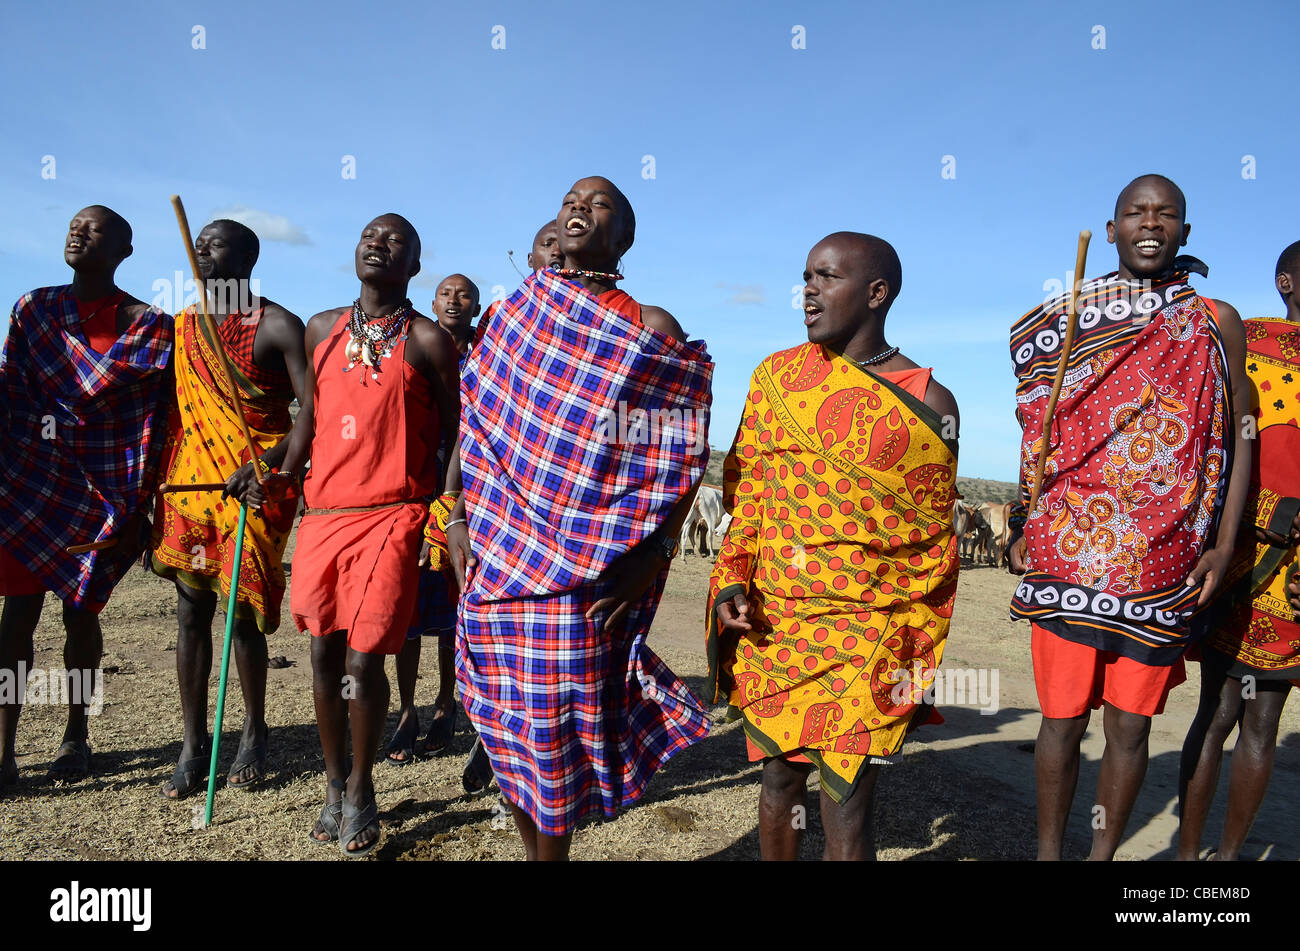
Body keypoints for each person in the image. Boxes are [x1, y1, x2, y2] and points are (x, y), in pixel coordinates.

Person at [447, 177, 713, 859]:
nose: (578, 207)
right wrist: (458, 524)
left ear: (622, 237)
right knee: (510, 730)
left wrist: (652, 557)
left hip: (591, 571)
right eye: (570, 198)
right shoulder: (513, 316)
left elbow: (682, 456)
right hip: (502, 559)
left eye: (598, 205)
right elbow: (476, 427)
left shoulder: (649, 328)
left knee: (556, 735)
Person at [1005, 174, 1252, 860]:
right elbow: (1038, 429)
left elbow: (1241, 430)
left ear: (1185, 233)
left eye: (1166, 213)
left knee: (1131, 728)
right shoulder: (1071, 316)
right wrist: (1025, 517)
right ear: (1109, 230)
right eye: (1135, 212)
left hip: (1164, 558)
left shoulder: (1214, 320)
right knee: (1059, 722)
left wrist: (1226, 539)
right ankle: (1050, 853)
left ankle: (1101, 856)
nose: (1151, 222)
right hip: (1066, 549)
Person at [707, 232, 960, 860]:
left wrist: (906, 639)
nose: (809, 290)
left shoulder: (929, 403)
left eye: (826, 277)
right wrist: (734, 577)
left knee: (846, 804)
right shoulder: (776, 378)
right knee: (778, 783)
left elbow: (929, 538)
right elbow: (751, 493)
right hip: (778, 621)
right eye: (806, 277)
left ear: (877, 294)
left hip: (870, 629)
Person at [268, 213, 459, 855]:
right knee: (322, 652)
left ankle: (361, 788)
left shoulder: (430, 341)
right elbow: (309, 424)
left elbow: (459, 435)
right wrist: (277, 472)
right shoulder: (321, 329)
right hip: (324, 514)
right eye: (369, 236)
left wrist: (447, 503)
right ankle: (331, 782)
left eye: (395, 241)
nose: (378, 244)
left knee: (363, 654)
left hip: (394, 514)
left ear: (414, 266)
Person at [0, 206, 173, 788]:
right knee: (16, 619)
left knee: (80, 615)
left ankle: (76, 734)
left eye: (95, 228)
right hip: (32, 484)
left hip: (105, 494)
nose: (78, 232)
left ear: (124, 250)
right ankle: (4, 750)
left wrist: (145, 505)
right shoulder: (34, 309)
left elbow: (155, 417)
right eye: (74, 224)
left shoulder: (150, 326)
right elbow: (11, 391)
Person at [150, 219, 308, 798]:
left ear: (247, 256)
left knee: (241, 615)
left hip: (256, 485)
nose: (201, 250)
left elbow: (309, 420)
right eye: (198, 242)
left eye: (215, 243)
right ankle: (193, 743)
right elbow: (169, 408)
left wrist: (266, 466)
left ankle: (253, 730)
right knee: (190, 611)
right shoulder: (184, 327)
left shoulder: (278, 325)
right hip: (193, 481)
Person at [1177, 239, 1300, 860]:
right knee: (1217, 712)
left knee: (1262, 722)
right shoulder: (1245, 343)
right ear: (1286, 282)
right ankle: (1187, 856)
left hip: (1295, 580)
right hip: (1237, 558)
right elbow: (1211, 439)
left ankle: (1227, 863)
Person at [386, 273, 479, 764]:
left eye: (464, 295)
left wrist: (449, 508)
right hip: (409, 486)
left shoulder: (487, 355)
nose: (454, 301)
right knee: (407, 607)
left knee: (451, 608)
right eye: (446, 293)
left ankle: (447, 704)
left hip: (466, 497)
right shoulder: (414, 344)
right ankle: (406, 711)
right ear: (433, 299)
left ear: (476, 306)